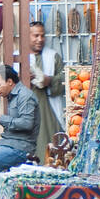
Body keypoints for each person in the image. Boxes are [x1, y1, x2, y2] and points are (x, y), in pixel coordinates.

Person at [0, 64, 39, 174]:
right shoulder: (13, 96)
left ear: (9, 81)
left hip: (20, 148)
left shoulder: (25, 96)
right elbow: (15, 122)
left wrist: (1, 118)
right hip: (10, 144)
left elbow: (27, 123)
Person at [26, 21, 64, 159]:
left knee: (48, 151)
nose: (40, 40)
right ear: (27, 36)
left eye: (42, 36)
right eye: (35, 36)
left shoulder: (53, 57)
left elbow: (65, 80)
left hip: (48, 113)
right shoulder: (17, 57)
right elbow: (5, 84)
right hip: (26, 112)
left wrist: (48, 80)